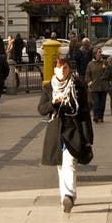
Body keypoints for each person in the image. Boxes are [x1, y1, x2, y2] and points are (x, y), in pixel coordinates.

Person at [38, 54, 93, 212]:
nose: (62, 71)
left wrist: (88, 136)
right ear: (54, 70)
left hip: (73, 130)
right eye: (59, 68)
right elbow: (41, 109)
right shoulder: (49, 88)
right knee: (60, 166)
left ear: (69, 69)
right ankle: (66, 197)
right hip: (55, 131)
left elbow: (85, 111)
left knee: (70, 163)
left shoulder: (77, 85)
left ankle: (68, 195)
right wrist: (53, 103)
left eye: (65, 68)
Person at [85, 47, 108, 124]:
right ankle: (95, 116)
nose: (100, 54)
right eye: (99, 52)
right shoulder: (90, 64)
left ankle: (101, 116)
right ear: (95, 54)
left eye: (101, 52)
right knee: (96, 103)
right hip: (94, 87)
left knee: (102, 103)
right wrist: (89, 83)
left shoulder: (104, 62)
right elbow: (87, 75)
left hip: (103, 86)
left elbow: (109, 72)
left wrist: (105, 68)